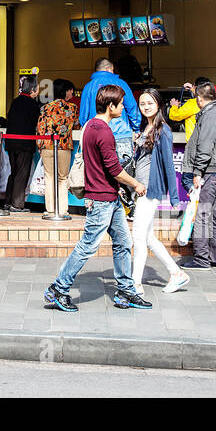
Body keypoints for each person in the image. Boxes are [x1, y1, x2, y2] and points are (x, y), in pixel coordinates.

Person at [42, 84, 151, 313]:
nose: (123, 107)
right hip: (101, 199)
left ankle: (125, 291)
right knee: (88, 245)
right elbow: (114, 169)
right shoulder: (103, 131)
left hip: (109, 196)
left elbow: (101, 166)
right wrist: (135, 184)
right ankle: (59, 289)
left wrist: (116, 188)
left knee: (123, 242)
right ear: (111, 106)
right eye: (120, 104)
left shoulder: (90, 126)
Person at [131, 89, 188, 295]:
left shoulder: (163, 131)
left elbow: (168, 165)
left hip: (150, 189)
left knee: (138, 236)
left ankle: (135, 284)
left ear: (158, 105)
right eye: (142, 103)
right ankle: (176, 273)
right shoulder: (145, 127)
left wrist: (174, 197)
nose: (145, 107)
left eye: (150, 103)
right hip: (141, 189)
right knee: (147, 238)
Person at [180, 81, 216, 270]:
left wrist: (198, 172)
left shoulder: (210, 115)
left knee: (202, 215)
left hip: (210, 172)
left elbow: (204, 146)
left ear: (199, 99)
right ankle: (214, 257)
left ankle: (202, 259)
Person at [35, 78, 78, 216]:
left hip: (47, 146)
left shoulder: (45, 107)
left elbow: (40, 128)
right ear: (66, 91)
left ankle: (50, 210)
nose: (72, 93)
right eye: (71, 91)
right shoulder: (72, 108)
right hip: (63, 146)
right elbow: (76, 125)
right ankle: (62, 210)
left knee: (49, 177)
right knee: (62, 178)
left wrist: (40, 146)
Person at [3, 74, 42, 212]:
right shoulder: (33, 104)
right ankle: (17, 204)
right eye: (38, 88)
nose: (39, 90)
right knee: (22, 173)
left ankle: (8, 202)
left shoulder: (15, 101)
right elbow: (36, 123)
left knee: (14, 172)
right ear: (32, 90)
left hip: (11, 142)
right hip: (25, 143)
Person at [78, 59, 142, 133]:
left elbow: (84, 114)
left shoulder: (88, 86)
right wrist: (137, 128)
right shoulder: (121, 83)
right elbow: (132, 107)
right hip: (120, 132)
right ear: (108, 69)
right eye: (113, 70)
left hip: (96, 132)